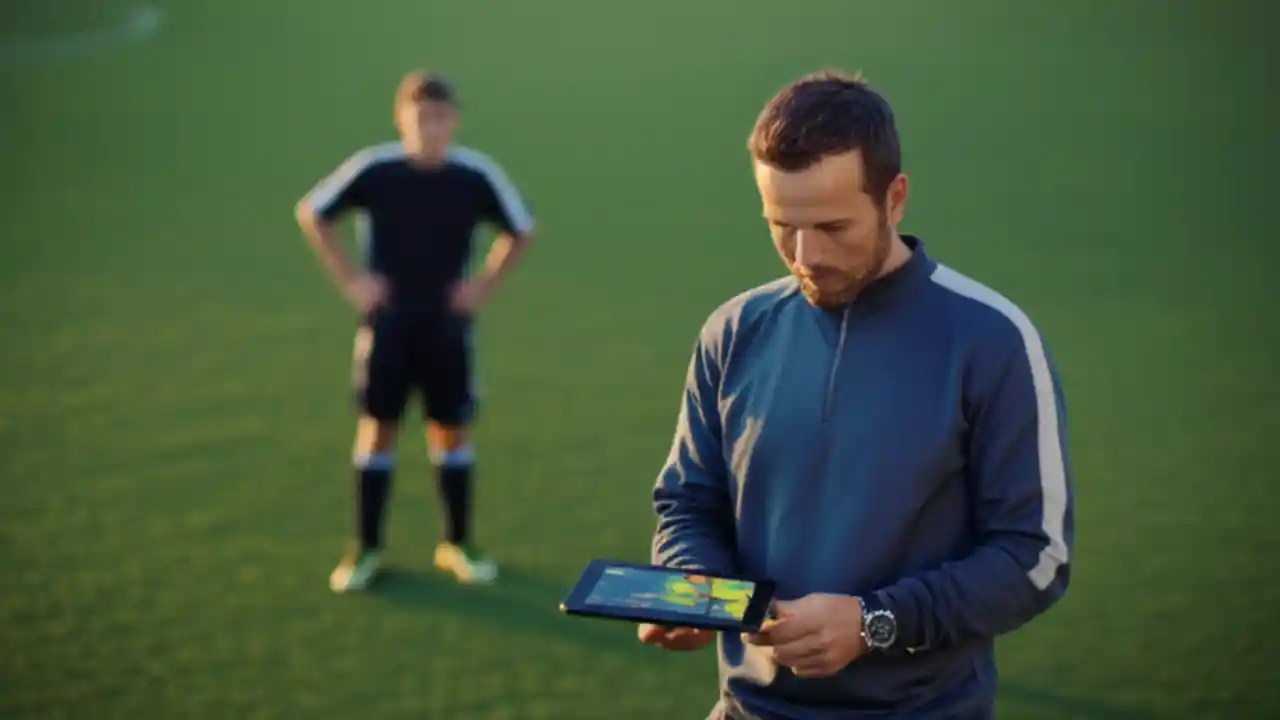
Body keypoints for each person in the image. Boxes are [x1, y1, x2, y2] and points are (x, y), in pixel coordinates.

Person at [639, 70, 1073, 719]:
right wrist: (695, 589)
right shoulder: (734, 331)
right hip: (749, 708)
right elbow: (688, 501)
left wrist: (872, 623)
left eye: (833, 226)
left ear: (894, 199)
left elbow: (1035, 556)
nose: (805, 254)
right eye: (781, 225)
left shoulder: (993, 340)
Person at [294, 70, 536, 592]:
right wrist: (353, 280)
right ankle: (366, 549)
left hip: (447, 328)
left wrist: (480, 288)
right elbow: (313, 213)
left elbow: (522, 230)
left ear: (454, 121)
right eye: (421, 117)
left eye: (440, 117)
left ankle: (457, 543)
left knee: (450, 430)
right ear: (401, 118)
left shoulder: (472, 176)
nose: (431, 127)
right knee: (377, 429)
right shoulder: (375, 170)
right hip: (388, 325)